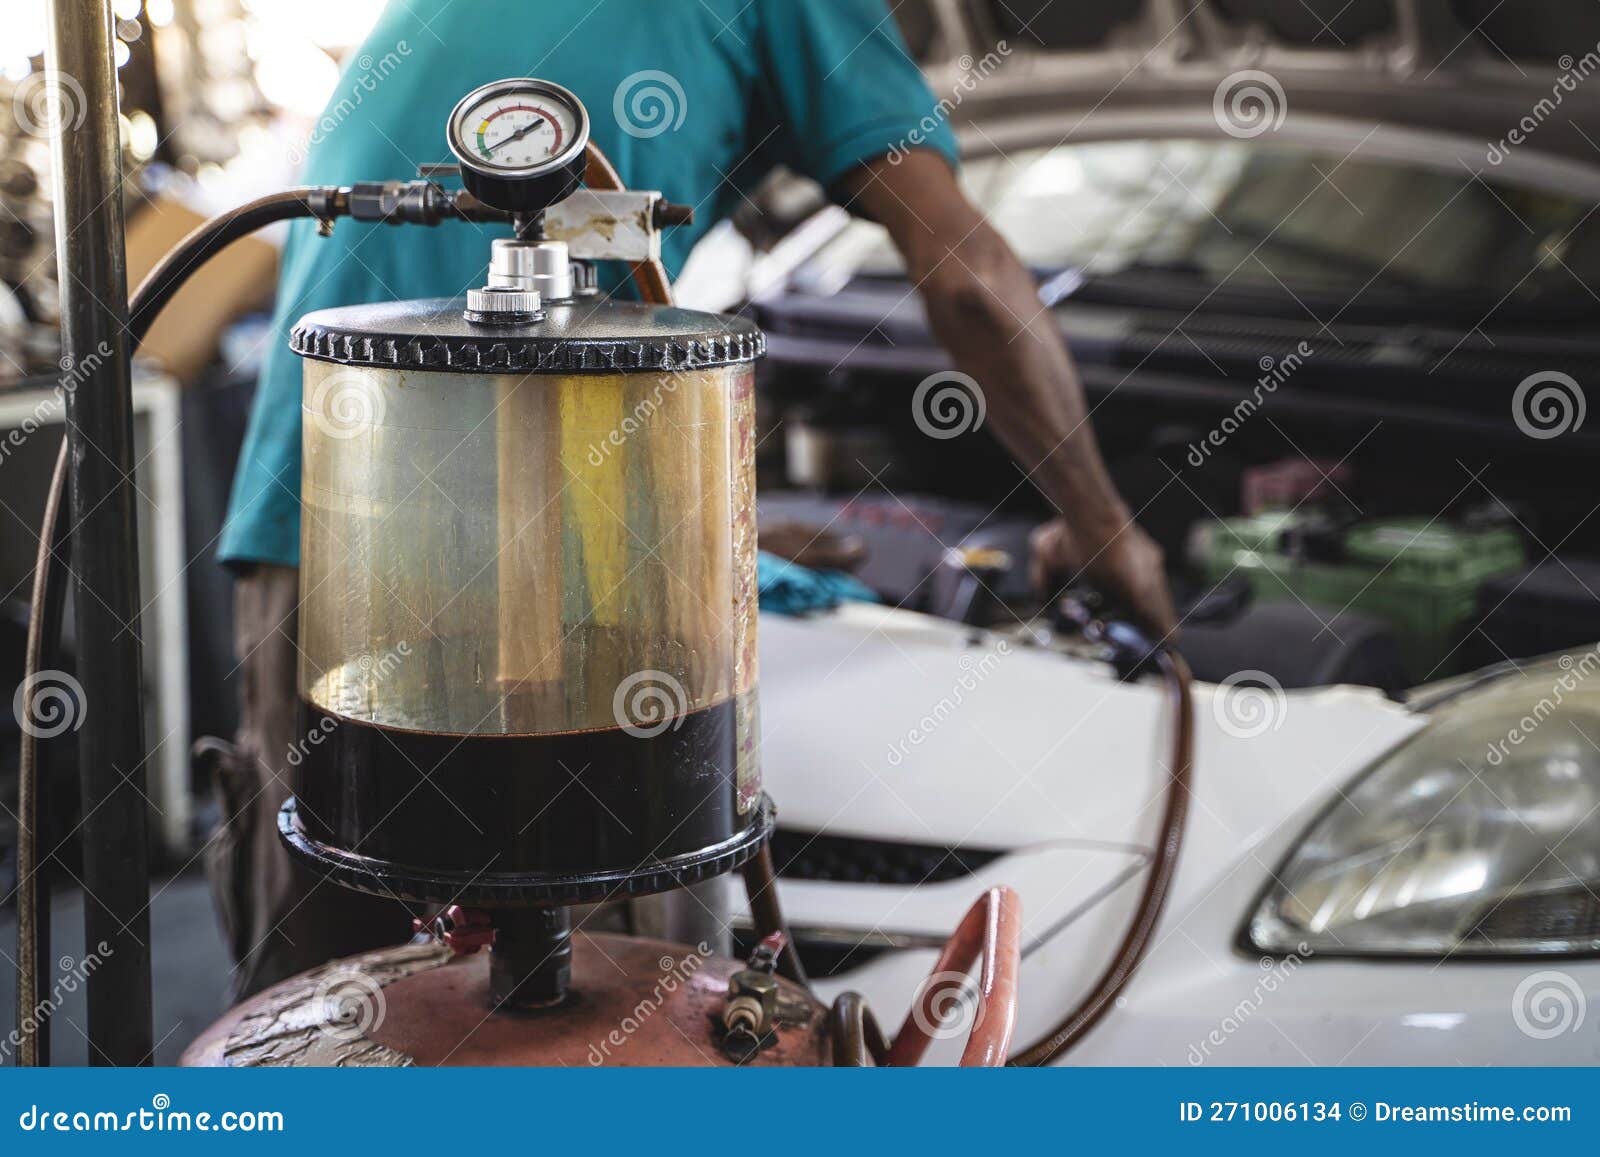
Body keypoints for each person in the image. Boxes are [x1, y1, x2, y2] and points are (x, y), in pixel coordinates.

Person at [215, 0, 1177, 998]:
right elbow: (970, 280)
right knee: (575, 997)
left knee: (335, 993)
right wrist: (1106, 525)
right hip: (534, 587)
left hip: (314, 517)